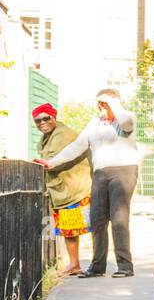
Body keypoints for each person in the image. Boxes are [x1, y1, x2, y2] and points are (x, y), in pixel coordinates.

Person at [36, 88, 139, 278]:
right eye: (99, 103)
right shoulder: (94, 123)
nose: (101, 106)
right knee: (98, 220)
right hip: (100, 173)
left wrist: (111, 101)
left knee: (119, 219)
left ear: (115, 102)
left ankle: (125, 266)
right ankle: (97, 267)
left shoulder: (126, 118)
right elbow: (77, 147)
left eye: (104, 102)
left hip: (124, 171)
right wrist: (51, 163)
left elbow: (125, 121)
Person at [31, 103, 92, 276]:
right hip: (65, 189)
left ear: (54, 117)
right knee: (68, 229)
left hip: (73, 189)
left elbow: (51, 162)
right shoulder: (48, 136)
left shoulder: (62, 135)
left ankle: (78, 265)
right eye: (37, 120)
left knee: (74, 229)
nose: (42, 122)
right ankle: (75, 264)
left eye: (46, 118)